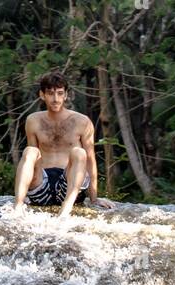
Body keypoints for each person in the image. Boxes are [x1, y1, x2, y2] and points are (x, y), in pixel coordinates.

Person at [12, 71, 112, 216]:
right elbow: (32, 162)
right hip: (42, 187)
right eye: (51, 93)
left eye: (60, 93)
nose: (55, 99)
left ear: (65, 95)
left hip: (70, 186)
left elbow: (90, 160)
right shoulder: (33, 120)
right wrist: (25, 193)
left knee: (80, 152)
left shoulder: (82, 122)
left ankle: (66, 208)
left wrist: (94, 198)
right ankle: (18, 205)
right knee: (30, 151)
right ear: (42, 95)